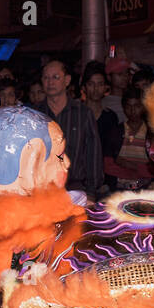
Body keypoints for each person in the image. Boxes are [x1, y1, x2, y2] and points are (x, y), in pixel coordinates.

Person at [34, 60, 103, 204]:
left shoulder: (83, 113)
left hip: (76, 191)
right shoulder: (35, 115)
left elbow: (93, 155)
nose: (50, 82)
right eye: (46, 78)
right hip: (42, 192)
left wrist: (91, 194)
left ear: (67, 80)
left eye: (55, 77)